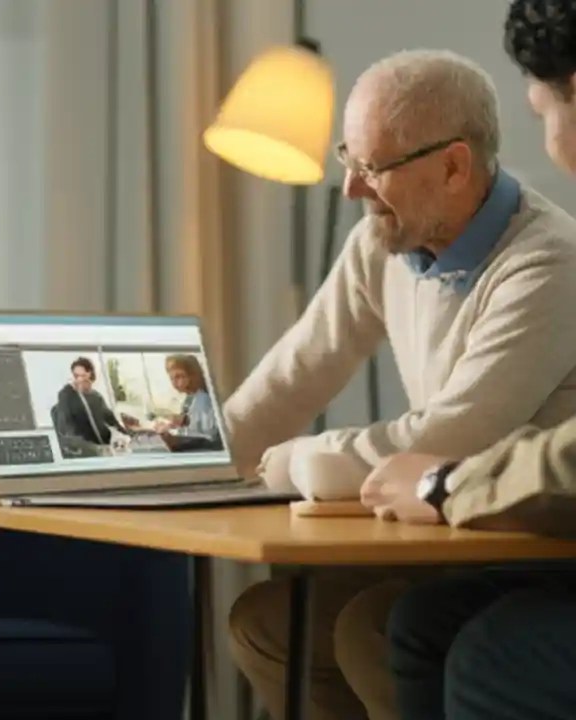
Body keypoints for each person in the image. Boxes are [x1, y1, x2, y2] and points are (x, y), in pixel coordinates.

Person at [221, 48, 576, 720]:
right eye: (347, 161)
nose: (352, 189)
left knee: (368, 630)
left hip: (532, 540)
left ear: (453, 167)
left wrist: (296, 460)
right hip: (448, 534)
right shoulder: (383, 240)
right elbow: (296, 374)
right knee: (266, 621)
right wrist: (197, 458)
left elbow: (453, 440)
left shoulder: (548, 264)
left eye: (372, 168)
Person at [363, 4, 576, 717]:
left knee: (495, 651)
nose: (554, 149)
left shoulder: (548, 257)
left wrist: (445, 484)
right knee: (421, 621)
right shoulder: (381, 252)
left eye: (546, 111)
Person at [53, 356, 133, 455]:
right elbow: (66, 429)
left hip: (103, 448)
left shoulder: (96, 397)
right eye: (76, 376)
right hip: (83, 451)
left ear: (90, 376)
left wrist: (127, 436)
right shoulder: (67, 395)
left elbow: (111, 420)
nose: (79, 380)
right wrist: (92, 449)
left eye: (83, 376)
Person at [155, 354, 221, 450]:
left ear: (193, 375)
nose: (174, 382)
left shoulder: (203, 399)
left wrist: (176, 436)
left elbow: (208, 436)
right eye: (171, 378)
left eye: (179, 376)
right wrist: (174, 425)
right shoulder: (190, 398)